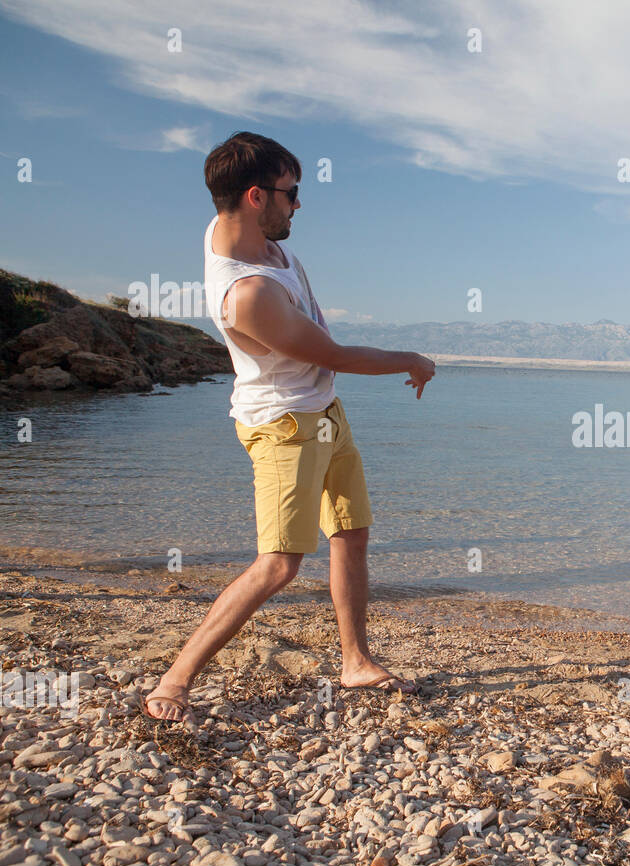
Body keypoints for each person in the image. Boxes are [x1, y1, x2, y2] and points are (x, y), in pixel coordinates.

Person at [144, 131, 436, 722]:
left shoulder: (240, 232)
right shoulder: (247, 293)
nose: (299, 204)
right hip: (283, 426)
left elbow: (323, 366)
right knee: (278, 564)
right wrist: (410, 359)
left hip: (323, 414)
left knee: (351, 534)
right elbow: (331, 354)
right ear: (255, 197)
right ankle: (174, 681)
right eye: (291, 193)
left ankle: (355, 662)